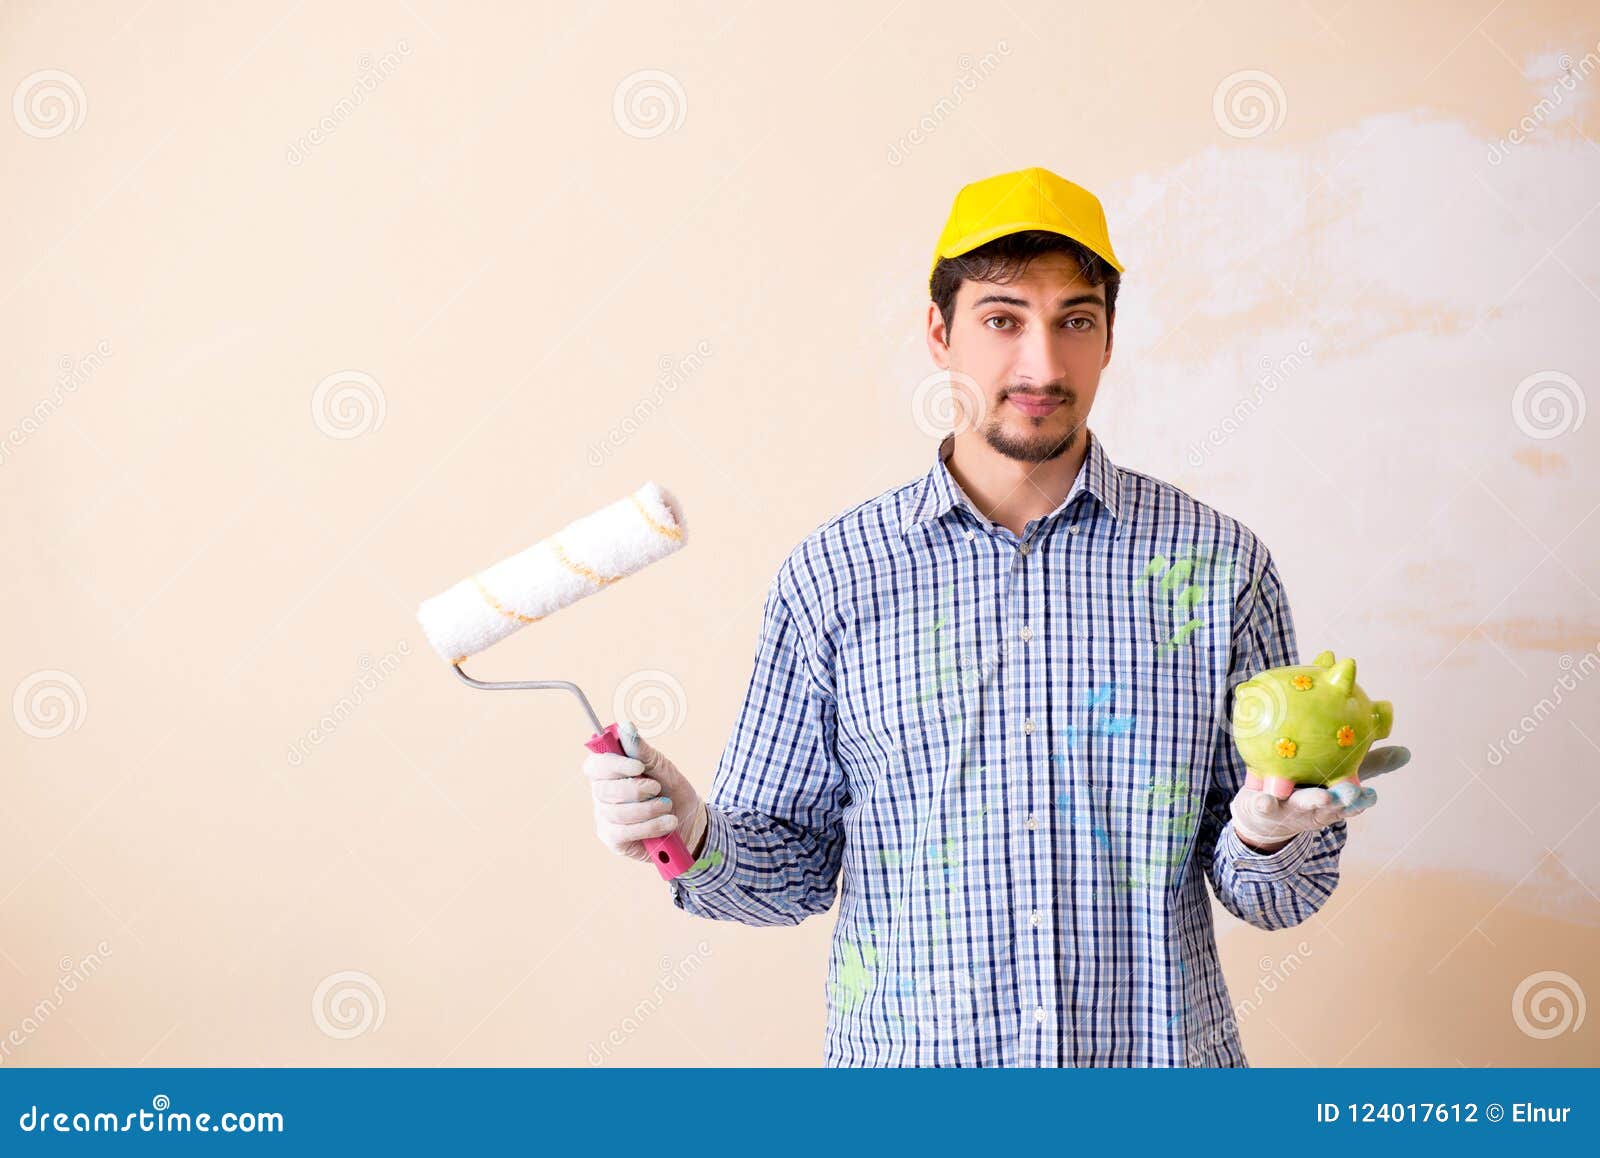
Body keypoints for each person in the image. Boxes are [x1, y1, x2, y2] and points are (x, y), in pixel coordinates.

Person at [583, 166, 1409, 1067]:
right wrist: (690, 831)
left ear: (1109, 340)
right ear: (939, 334)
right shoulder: (835, 578)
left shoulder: (1217, 570)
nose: (1043, 366)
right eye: (1003, 319)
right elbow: (787, 873)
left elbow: (1277, 895)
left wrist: (1262, 835)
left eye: (1075, 321)